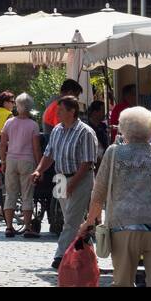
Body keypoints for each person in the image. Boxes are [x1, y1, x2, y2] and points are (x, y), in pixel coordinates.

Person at [80, 107, 151, 287]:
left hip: (124, 225)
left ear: (123, 128)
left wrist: (88, 222)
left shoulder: (113, 153)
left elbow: (98, 194)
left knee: (123, 281)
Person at [32, 94, 99, 270]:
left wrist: (73, 183)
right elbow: (49, 154)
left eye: (60, 110)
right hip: (61, 178)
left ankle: (60, 256)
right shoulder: (56, 130)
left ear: (72, 111)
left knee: (71, 220)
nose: (57, 113)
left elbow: (87, 163)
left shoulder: (85, 132)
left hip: (80, 178)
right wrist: (39, 169)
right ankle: (86, 250)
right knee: (69, 218)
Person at [0, 94, 42, 238]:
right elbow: (36, 148)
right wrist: (39, 167)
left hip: (11, 160)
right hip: (28, 161)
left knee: (10, 194)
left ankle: (9, 227)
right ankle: (28, 227)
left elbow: (3, 143)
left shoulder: (9, 123)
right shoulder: (33, 125)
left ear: (17, 106)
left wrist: (3, 161)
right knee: (27, 196)